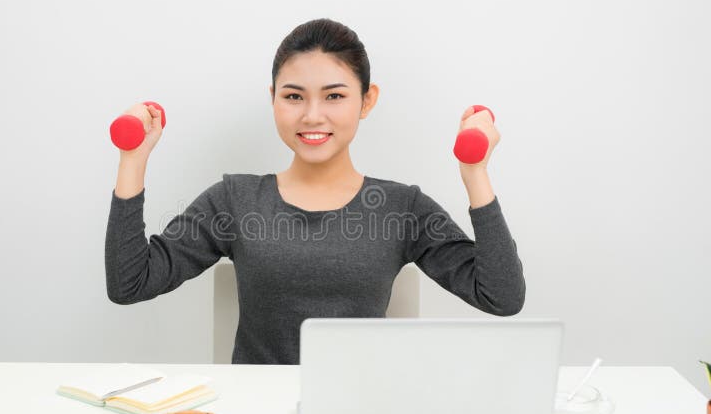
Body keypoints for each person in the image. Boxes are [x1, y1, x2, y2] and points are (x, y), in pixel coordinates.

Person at [105, 18, 525, 365]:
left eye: (334, 96)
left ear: (366, 100)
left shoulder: (403, 209)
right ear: (273, 100)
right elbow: (130, 283)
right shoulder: (235, 201)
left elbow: (501, 296)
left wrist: (475, 174)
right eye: (293, 96)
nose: (312, 115)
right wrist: (133, 160)